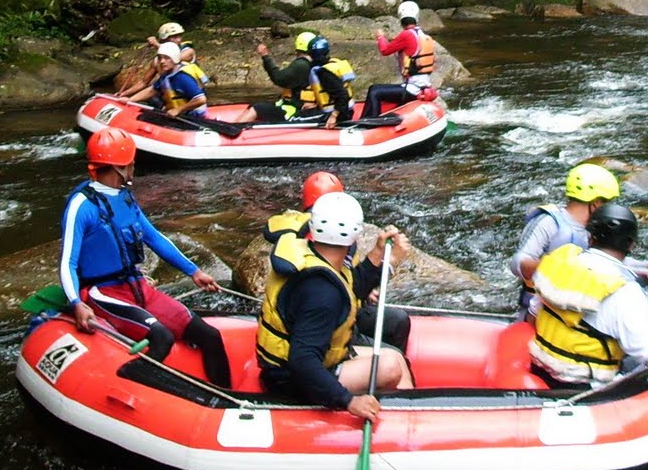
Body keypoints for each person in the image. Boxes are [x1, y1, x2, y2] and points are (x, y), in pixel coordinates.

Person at [60, 127, 232, 385]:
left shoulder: (125, 197)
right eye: (130, 164)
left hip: (137, 287)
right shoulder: (81, 205)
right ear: (120, 167)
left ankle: (226, 400)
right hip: (103, 293)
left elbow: (154, 238)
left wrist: (194, 271)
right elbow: (68, 262)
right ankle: (127, 382)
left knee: (209, 335)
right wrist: (76, 303)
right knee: (161, 337)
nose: (133, 168)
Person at [257, 191, 414, 421]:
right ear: (355, 235)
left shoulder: (316, 256)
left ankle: (410, 418)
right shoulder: (321, 292)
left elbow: (351, 286)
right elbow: (303, 360)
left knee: (396, 358)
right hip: (290, 379)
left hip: (305, 363)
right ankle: (397, 423)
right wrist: (349, 401)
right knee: (390, 366)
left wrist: (379, 255)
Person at [528, 203, 648, 386]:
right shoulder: (625, 292)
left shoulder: (559, 263)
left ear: (590, 237)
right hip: (582, 386)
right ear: (630, 245)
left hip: (542, 369)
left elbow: (533, 316)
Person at [266, 171, 411, 351]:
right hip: (326, 320)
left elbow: (348, 283)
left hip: (337, 310)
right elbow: (333, 292)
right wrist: (390, 263)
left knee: (397, 321)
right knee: (393, 357)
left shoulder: (311, 234)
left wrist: (378, 253)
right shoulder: (328, 238)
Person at [509, 164, 648, 319]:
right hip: (541, 309)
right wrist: (559, 266)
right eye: (608, 202)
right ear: (596, 202)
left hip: (581, 309)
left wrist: (646, 268)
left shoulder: (598, 227)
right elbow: (518, 264)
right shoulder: (549, 222)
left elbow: (610, 261)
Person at [248, 32, 352, 125]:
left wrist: (334, 116)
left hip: (334, 114)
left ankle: (236, 131)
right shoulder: (319, 69)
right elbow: (324, 93)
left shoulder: (323, 72)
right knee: (257, 106)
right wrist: (315, 103)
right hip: (326, 109)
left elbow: (342, 95)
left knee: (291, 119)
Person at [361, 0, 438, 119]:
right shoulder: (423, 35)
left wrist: (380, 37)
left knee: (374, 90)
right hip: (424, 86)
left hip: (412, 89)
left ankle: (368, 123)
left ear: (400, 19)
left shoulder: (407, 35)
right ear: (416, 18)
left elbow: (385, 50)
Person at [125, 42, 208, 116]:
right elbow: (152, 90)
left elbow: (201, 99)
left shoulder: (182, 77)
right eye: (160, 58)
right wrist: (129, 100)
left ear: (174, 59)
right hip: (180, 112)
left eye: (166, 58)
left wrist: (178, 110)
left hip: (194, 115)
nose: (162, 61)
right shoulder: (166, 75)